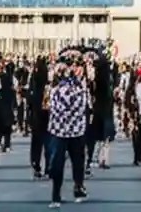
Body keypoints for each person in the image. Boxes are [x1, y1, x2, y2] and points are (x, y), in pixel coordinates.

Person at [48, 60, 90, 208]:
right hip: (77, 131)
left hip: (58, 131)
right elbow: (84, 109)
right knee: (78, 162)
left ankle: (56, 195)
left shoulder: (54, 91)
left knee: (58, 163)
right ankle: (78, 187)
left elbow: (51, 108)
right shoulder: (81, 91)